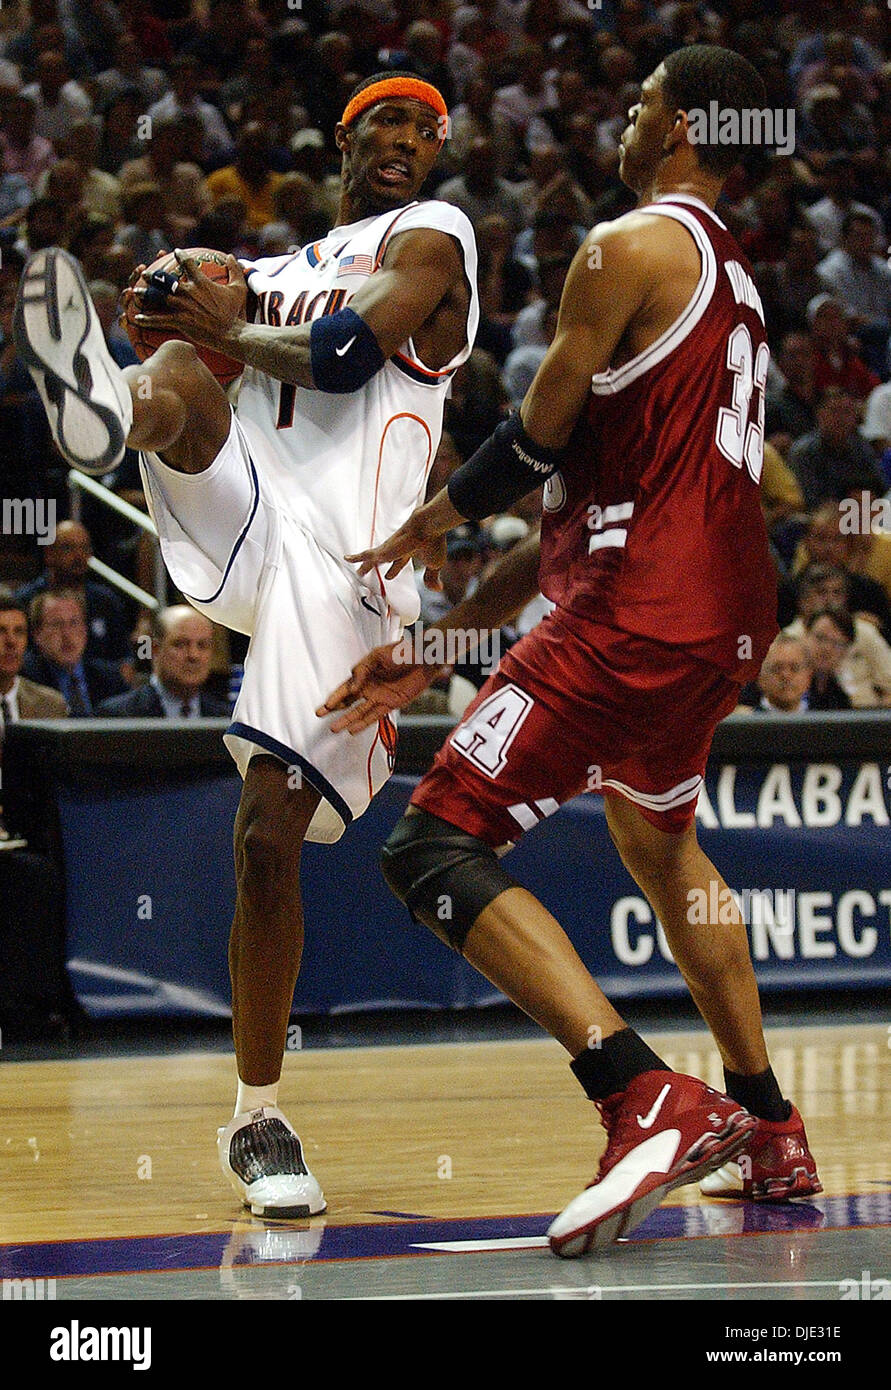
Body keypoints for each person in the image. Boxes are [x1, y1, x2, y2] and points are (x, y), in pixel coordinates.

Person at [323, 45, 821, 1256]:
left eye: (645, 98)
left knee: (432, 842)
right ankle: (769, 1123)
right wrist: (439, 645)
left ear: (687, 122)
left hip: (636, 603)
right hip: (719, 610)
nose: (625, 114)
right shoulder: (734, 278)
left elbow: (537, 440)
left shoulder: (630, 246)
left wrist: (432, 522)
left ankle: (634, 1087)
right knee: (660, 840)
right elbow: (572, 499)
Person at [14, 71, 478, 1219]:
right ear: (342, 134)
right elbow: (199, 306)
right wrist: (175, 298)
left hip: (350, 569)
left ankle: (253, 1113)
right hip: (250, 522)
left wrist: (224, 319)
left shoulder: (434, 240)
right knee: (174, 370)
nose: (404, 141)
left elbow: (342, 358)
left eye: (423, 129)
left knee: (267, 837)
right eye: (384, 120)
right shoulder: (263, 272)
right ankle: (109, 410)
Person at [97, 605, 230, 717]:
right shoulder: (118, 715)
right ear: (155, 649)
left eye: (202, 645)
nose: (193, 655)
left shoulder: (226, 719)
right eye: (180, 644)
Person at [23, 589, 128, 713]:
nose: (67, 634)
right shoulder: (26, 679)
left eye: (74, 623)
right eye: (56, 624)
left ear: (85, 629)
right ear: (37, 634)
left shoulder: (110, 678)